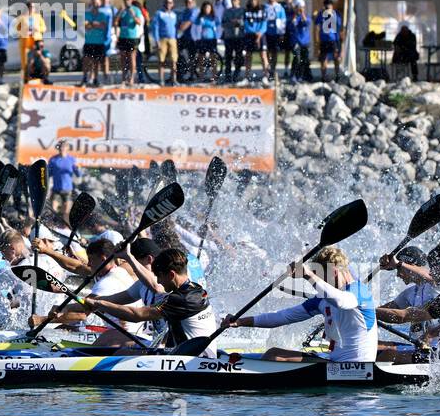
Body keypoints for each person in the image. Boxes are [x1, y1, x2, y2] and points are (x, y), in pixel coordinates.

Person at [223, 245, 376, 362]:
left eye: (322, 277)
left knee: (273, 355)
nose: (320, 282)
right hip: (334, 362)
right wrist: (240, 322)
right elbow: (283, 316)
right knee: (274, 353)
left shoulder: (359, 291)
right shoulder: (321, 299)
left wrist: (308, 275)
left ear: (333, 272)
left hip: (357, 367)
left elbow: (342, 301)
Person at [79, 248, 219, 356]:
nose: (158, 281)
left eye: (160, 277)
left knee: (122, 354)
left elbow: (136, 315)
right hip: (192, 353)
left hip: (193, 359)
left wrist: (99, 304)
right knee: (118, 345)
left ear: (171, 274)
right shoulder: (196, 289)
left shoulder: (180, 299)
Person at [378, 242, 440, 362]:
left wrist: (366, 312)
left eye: (433, 268)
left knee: (387, 355)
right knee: (382, 349)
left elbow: (404, 316)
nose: (430, 272)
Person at [374, 246, 437, 362]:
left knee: (388, 355)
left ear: (411, 267)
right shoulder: (410, 293)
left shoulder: (437, 286)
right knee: (373, 346)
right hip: (420, 348)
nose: (398, 275)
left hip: (437, 352)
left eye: (399, 270)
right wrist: (358, 311)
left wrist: (399, 264)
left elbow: (430, 275)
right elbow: (384, 311)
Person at [47, 139, 81, 223]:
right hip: (56, 189)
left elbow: (78, 174)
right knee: (53, 210)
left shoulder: (71, 159)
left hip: (67, 190)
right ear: (58, 148)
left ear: (67, 148)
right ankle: (52, 226)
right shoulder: (53, 160)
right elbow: (48, 174)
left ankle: (66, 228)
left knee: (67, 212)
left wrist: (77, 169)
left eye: (63, 147)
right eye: (60, 147)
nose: (61, 149)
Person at [116, 0, 145, 85]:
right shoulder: (122, 10)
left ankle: (132, 78)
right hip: (122, 37)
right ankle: (124, 78)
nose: (126, 1)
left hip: (132, 37)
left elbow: (139, 22)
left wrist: (133, 14)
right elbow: (115, 22)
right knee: (123, 59)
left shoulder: (136, 9)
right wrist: (120, 12)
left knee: (132, 58)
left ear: (131, 0)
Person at [82, 0, 109, 87]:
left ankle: (95, 79)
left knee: (96, 62)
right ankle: (85, 77)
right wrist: (95, 24)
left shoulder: (102, 15)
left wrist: (92, 23)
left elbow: (103, 26)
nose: (96, 5)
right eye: (94, 3)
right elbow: (86, 26)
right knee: (87, 61)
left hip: (99, 42)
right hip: (89, 41)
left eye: (97, 3)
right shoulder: (87, 14)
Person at [152, 0, 180, 86]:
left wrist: (176, 38)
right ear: (164, 3)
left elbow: (176, 27)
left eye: (171, 2)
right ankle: (161, 79)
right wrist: (157, 40)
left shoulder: (174, 15)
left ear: (173, 4)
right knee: (161, 60)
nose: (169, 4)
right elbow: (155, 27)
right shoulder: (159, 13)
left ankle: (174, 80)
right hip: (162, 39)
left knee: (173, 60)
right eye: (167, 2)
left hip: (172, 39)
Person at [314, 0, 343, 82]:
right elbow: (316, 25)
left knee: (336, 58)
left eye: (329, 5)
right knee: (323, 58)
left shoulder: (336, 14)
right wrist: (317, 41)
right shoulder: (321, 14)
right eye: (326, 6)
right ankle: (323, 76)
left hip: (334, 39)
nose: (328, 7)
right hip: (324, 39)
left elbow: (340, 26)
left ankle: (337, 75)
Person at [16, 5, 47, 83]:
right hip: (25, 42)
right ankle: (25, 80)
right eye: (30, 7)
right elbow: (16, 29)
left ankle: (39, 79)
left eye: (33, 7)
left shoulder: (38, 17)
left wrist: (37, 29)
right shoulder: (22, 17)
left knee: (36, 59)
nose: (32, 9)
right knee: (25, 62)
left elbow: (44, 28)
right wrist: (24, 31)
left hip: (36, 40)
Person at [221, 0, 246, 83]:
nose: (234, 2)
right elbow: (223, 23)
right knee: (228, 57)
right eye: (233, 0)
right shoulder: (227, 11)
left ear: (239, 1)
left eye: (236, 0)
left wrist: (239, 22)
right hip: (229, 37)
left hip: (239, 37)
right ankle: (227, 75)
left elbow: (245, 22)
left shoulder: (243, 10)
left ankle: (237, 73)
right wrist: (231, 23)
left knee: (238, 56)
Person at [263, 0, 287, 82]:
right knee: (266, 52)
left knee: (275, 52)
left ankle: (273, 69)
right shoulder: (265, 7)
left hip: (276, 33)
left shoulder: (280, 8)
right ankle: (267, 70)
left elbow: (283, 21)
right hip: (266, 33)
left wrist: (281, 33)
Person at [288, 0, 312, 82]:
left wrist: (302, 14)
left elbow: (306, 23)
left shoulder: (306, 16)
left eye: (302, 7)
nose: (301, 9)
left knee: (304, 60)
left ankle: (301, 76)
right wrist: (295, 13)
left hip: (305, 42)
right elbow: (292, 25)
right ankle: (293, 75)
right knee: (297, 58)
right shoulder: (293, 17)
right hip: (296, 42)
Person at [243, 0, 267, 79]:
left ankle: (266, 76)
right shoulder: (246, 11)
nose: (253, 2)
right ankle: (247, 76)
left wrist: (259, 33)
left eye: (255, 0)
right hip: (250, 35)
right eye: (252, 0)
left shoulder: (262, 11)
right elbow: (246, 25)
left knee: (263, 55)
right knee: (248, 56)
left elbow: (264, 24)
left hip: (261, 36)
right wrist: (254, 32)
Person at [176, 0, 198, 83]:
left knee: (192, 57)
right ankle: (181, 73)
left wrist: (180, 28)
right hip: (185, 37)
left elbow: (188, 23)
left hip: (193, 38)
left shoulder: (195, 11)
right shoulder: (185, 11)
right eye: (187, 2)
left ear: (193, 2)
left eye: (190, 2)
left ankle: (192, 75)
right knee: (178, 53)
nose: (188, 4)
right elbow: (180, 22)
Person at [195, 1, 219, 82]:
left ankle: (214, 77)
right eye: (205, 8)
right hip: (202, 40)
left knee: (213, 59)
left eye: (208, 8)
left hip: (212, 40)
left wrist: (218, 37)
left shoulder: (214, 17)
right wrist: (197, 38)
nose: (207, 9)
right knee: (201, 58)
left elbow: (219, 28)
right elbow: (196, 28)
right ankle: (201, 77)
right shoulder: (200, 18)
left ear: (211, 8)